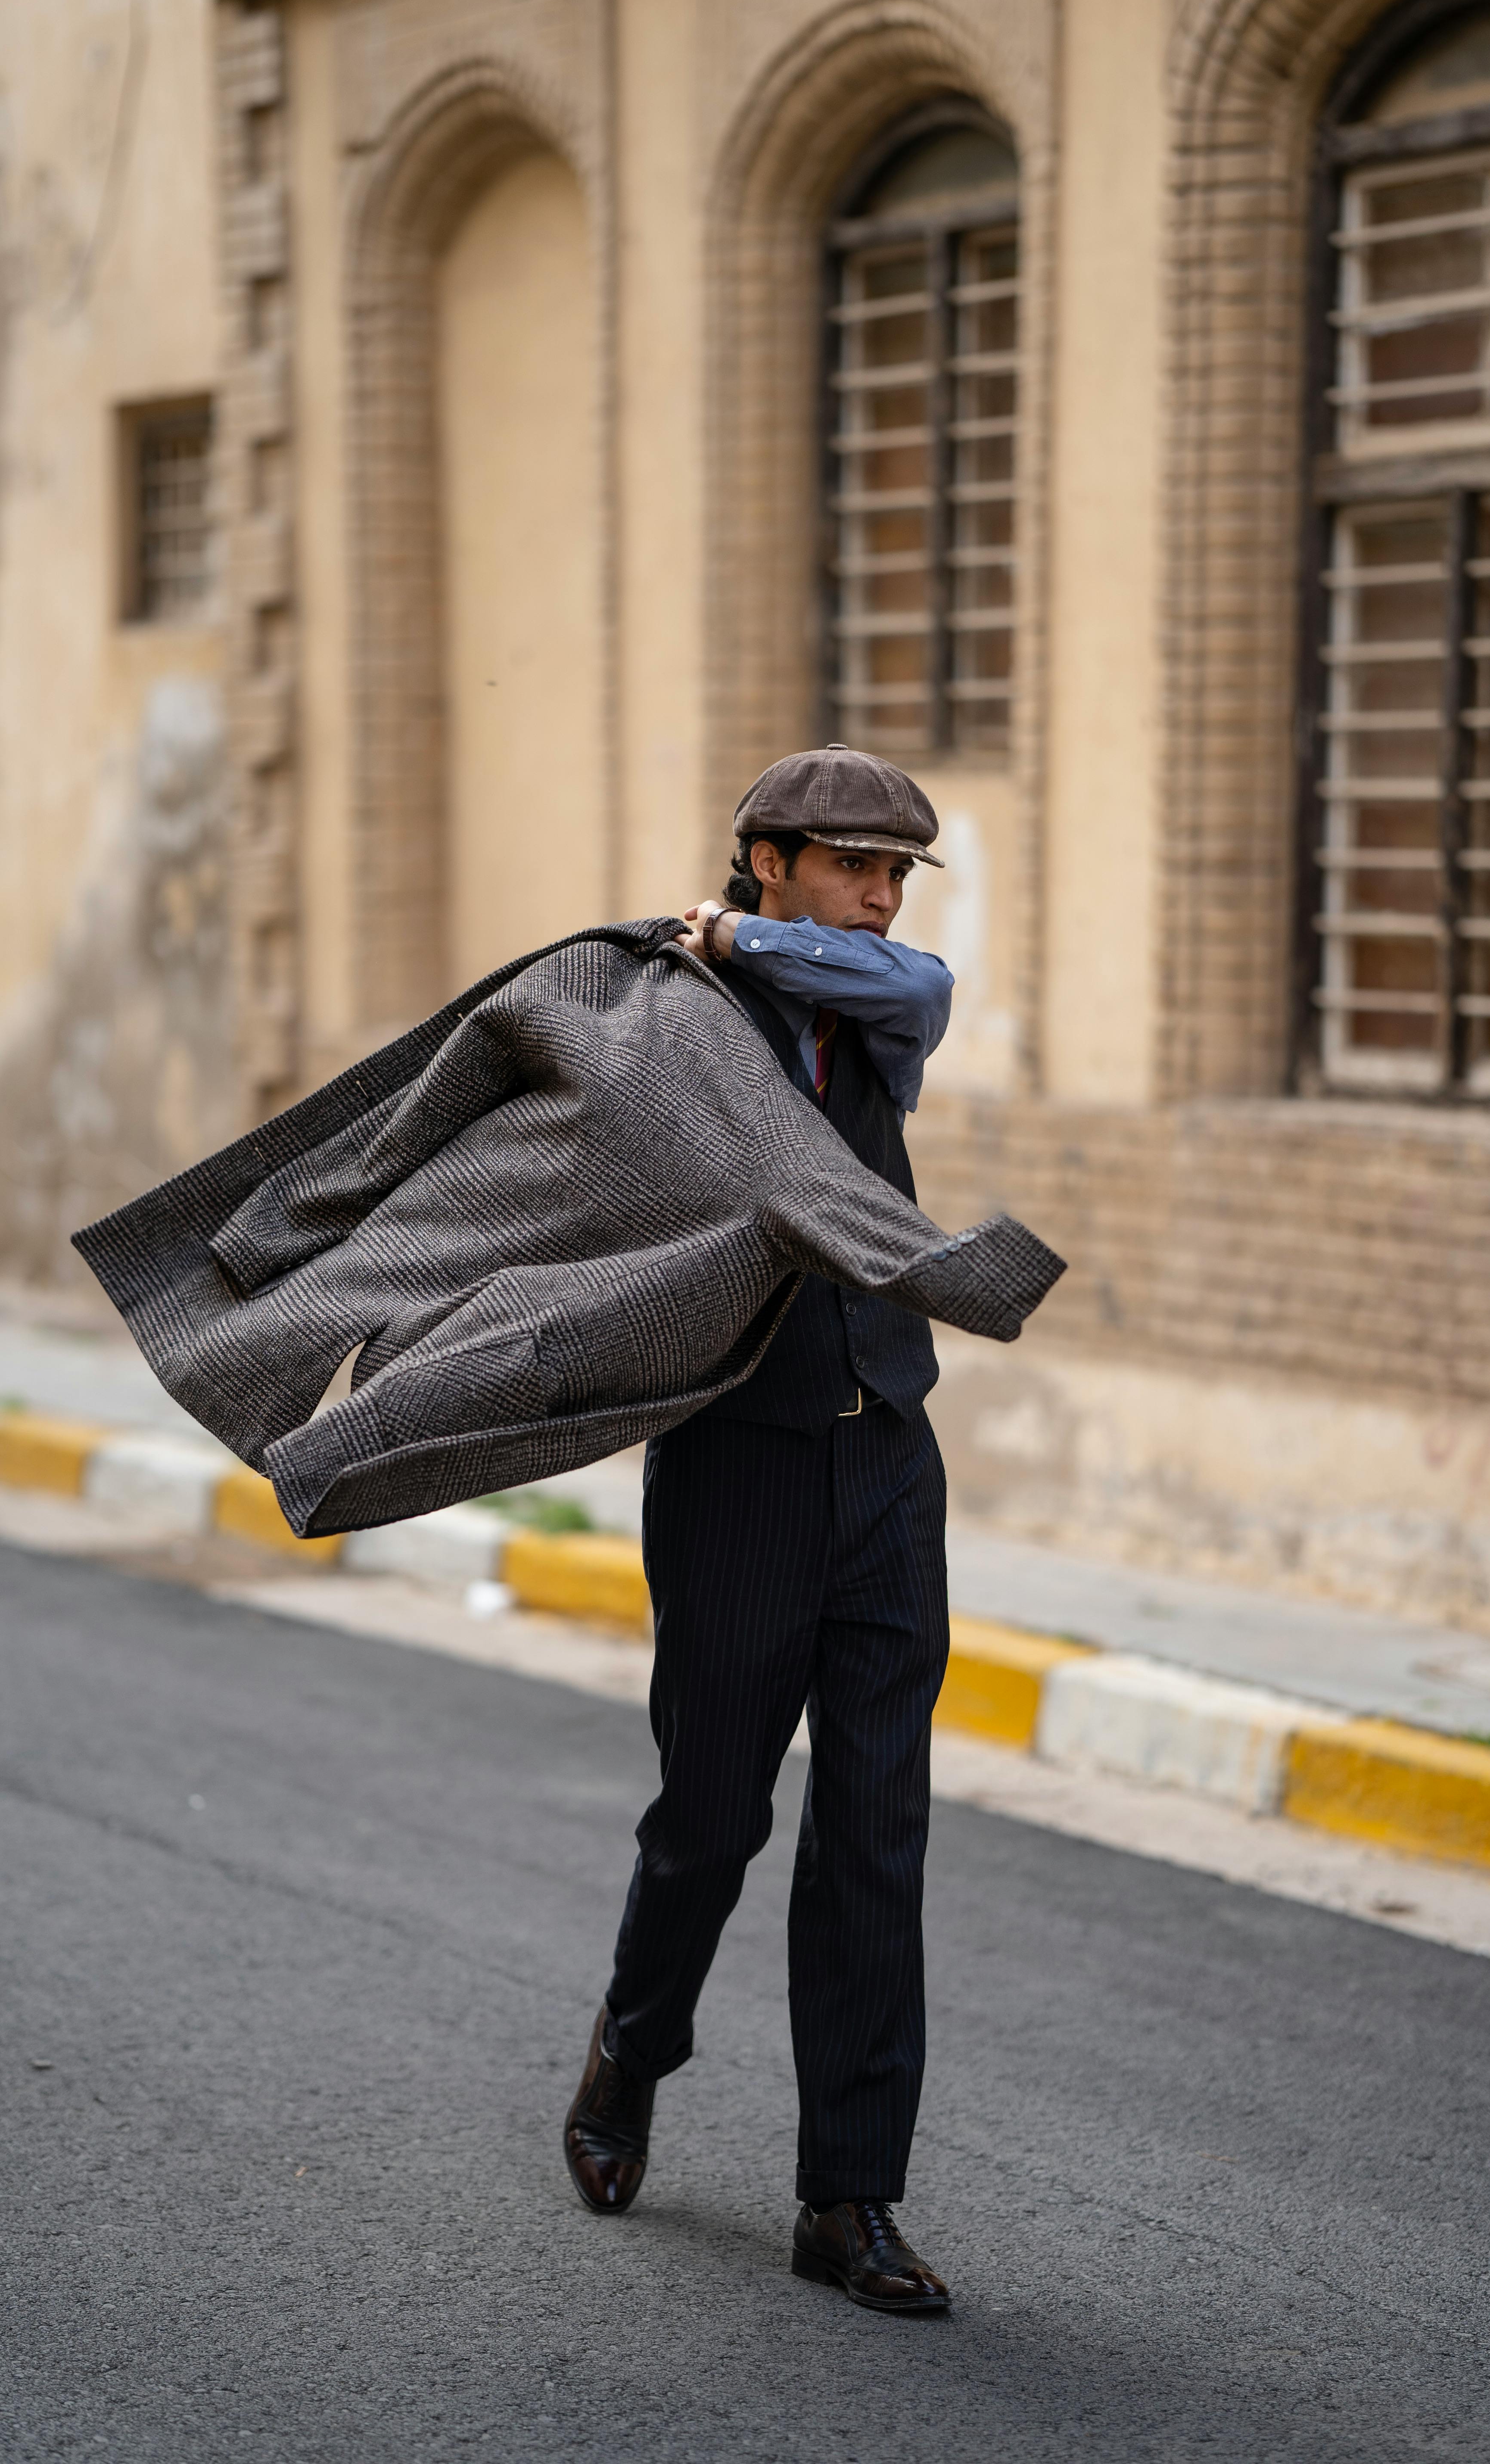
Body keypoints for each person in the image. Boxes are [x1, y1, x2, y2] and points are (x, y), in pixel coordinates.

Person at [563, 742, 964, 2318]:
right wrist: (712, 963)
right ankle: (633, 2050)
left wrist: (746, 938)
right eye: (853, 869)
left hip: (889, 1469)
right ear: (771, 856)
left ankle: (848, 2201)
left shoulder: (883, 1001)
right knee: (713, 1816)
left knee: (876, 1833)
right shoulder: (666, 1019)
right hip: (739, 1470)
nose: (881, 901)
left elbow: (919, 983)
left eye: (895, 875)